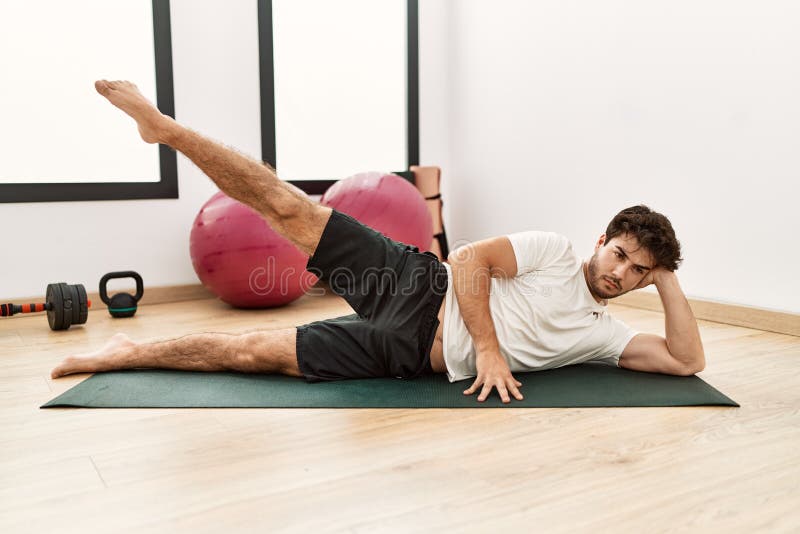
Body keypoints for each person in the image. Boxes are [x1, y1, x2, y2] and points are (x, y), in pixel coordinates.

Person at [50, 80, 706, 404]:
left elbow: (685, 361)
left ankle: (124, 351)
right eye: (621, 253)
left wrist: (668, 274)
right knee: (288, 207)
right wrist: (488, 349)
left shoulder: (605, 336)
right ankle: (167, 130)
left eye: (638, 272)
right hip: (411, 282)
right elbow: (469, 258)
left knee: (253, 353)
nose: (621, 272)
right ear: (601, 241)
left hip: (404, 351)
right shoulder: (557, 251)